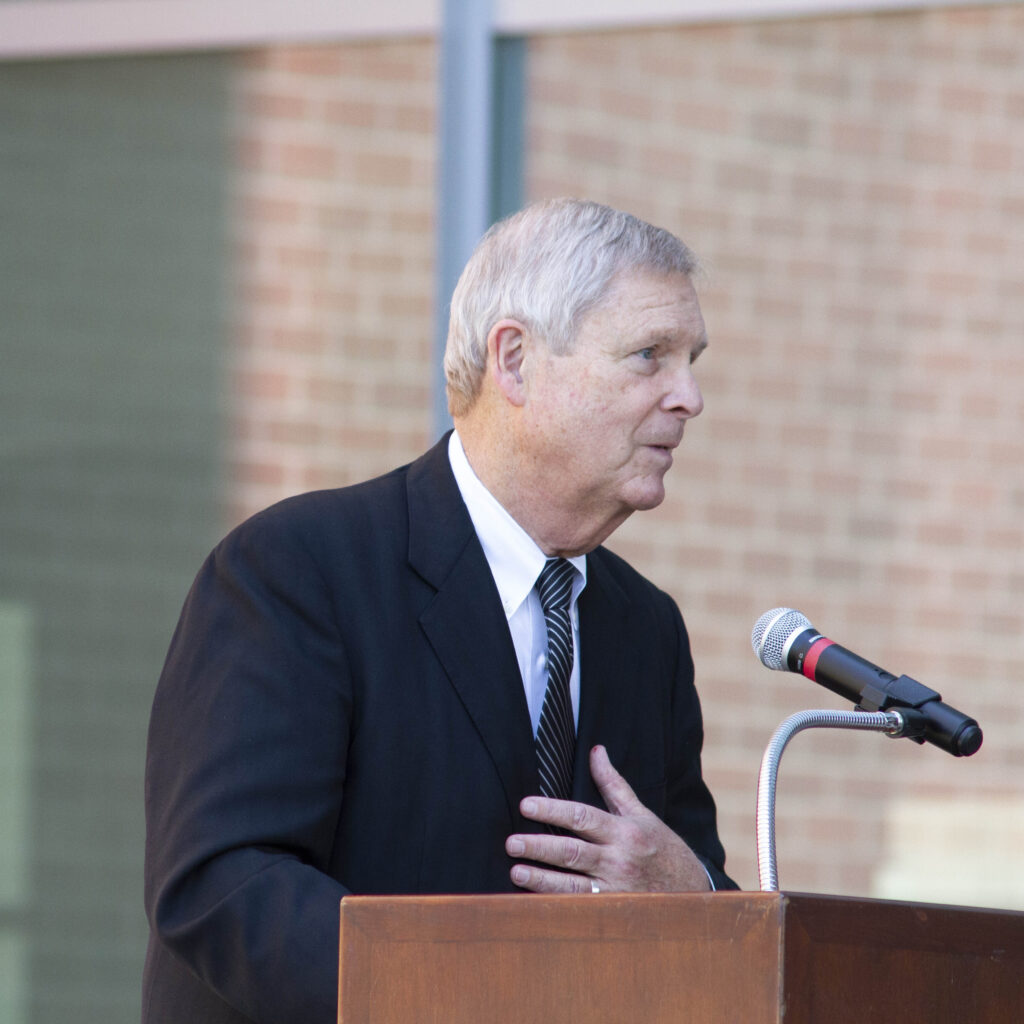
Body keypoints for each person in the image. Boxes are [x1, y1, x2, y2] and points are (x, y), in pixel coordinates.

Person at [142, 198, 736, 1024]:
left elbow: (690, 887)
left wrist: (695, 895)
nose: (689, 397)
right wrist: (472, 997)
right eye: (650, 357)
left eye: (692, 360)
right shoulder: (300, 568)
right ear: (516, 360)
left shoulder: (646, 628)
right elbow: (224, 885)